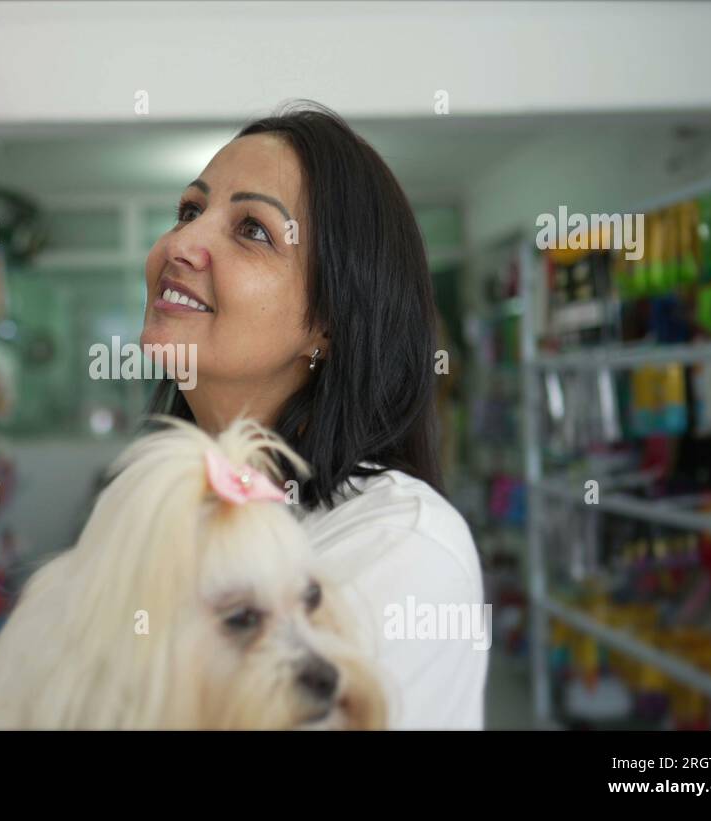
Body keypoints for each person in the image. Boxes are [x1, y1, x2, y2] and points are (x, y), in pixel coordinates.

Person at [142, 101, 487, 729]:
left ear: (329, 322)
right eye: (190, 211)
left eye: (252, 230)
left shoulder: (401, 545)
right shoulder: (176, 512)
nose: (180, 243)